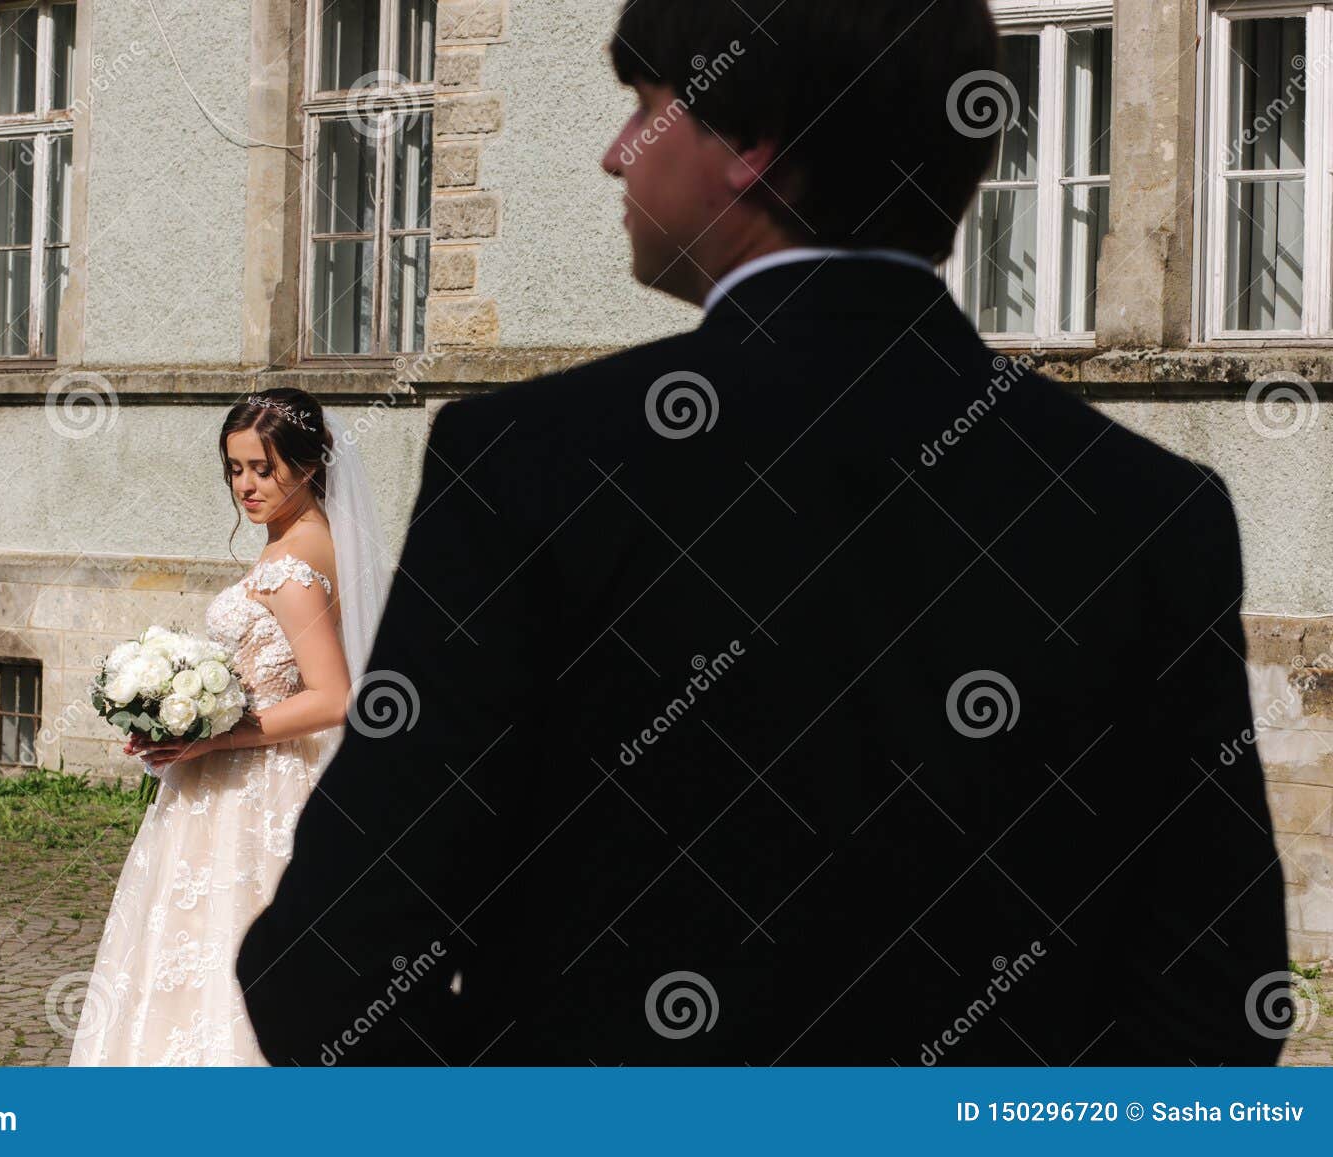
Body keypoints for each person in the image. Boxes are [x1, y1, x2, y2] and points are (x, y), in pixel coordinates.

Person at [236, 0, 1287, 1065]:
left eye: (644, 109)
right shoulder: (1147, 507)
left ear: (748, 144)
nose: (614, 155)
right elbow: (1217, 998)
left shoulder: (532, 465)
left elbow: (327, 964)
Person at [70, 388, 391, 1065]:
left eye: (263, 469)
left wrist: (215, 736)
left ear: (309, 465)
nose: (246, 485)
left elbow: (334, 697)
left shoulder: (293, 568)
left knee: (226, 940)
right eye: (235, 468)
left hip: (258, 784)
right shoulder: (304, 541)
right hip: (266, 769)